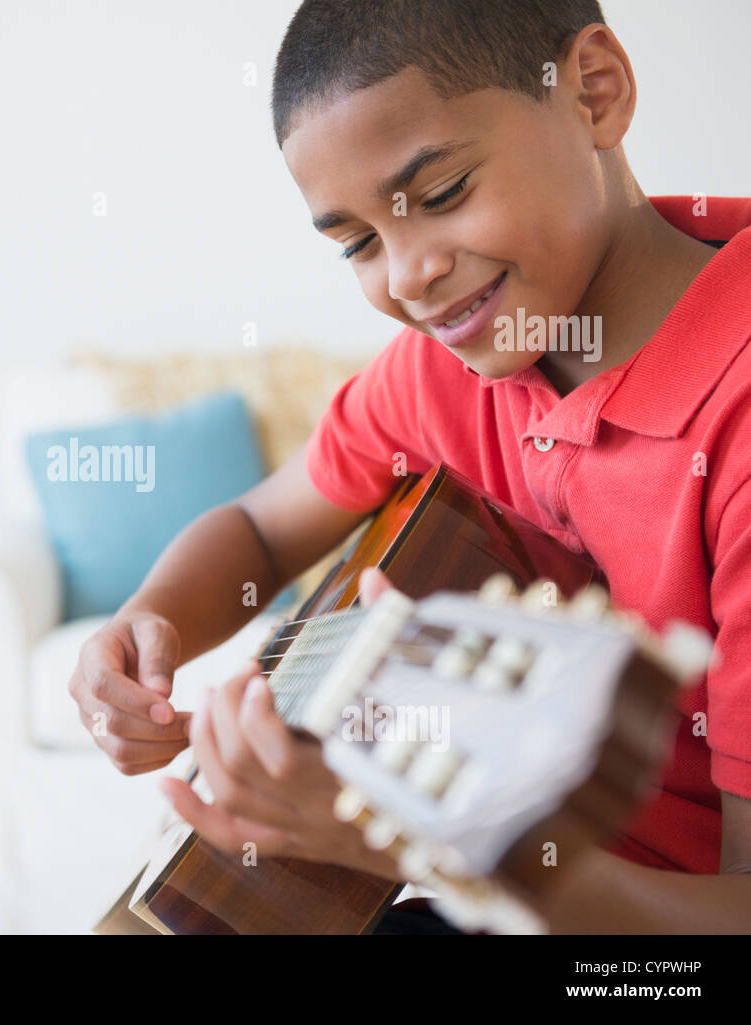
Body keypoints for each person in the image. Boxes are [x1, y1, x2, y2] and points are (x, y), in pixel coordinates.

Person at [67, 0, 751, 933]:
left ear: (594, 93)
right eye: (356, 242)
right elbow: (263, 529)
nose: (406, 275)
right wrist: (153, 621)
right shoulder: (447, 373)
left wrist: (422, 846)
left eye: (439, 195)